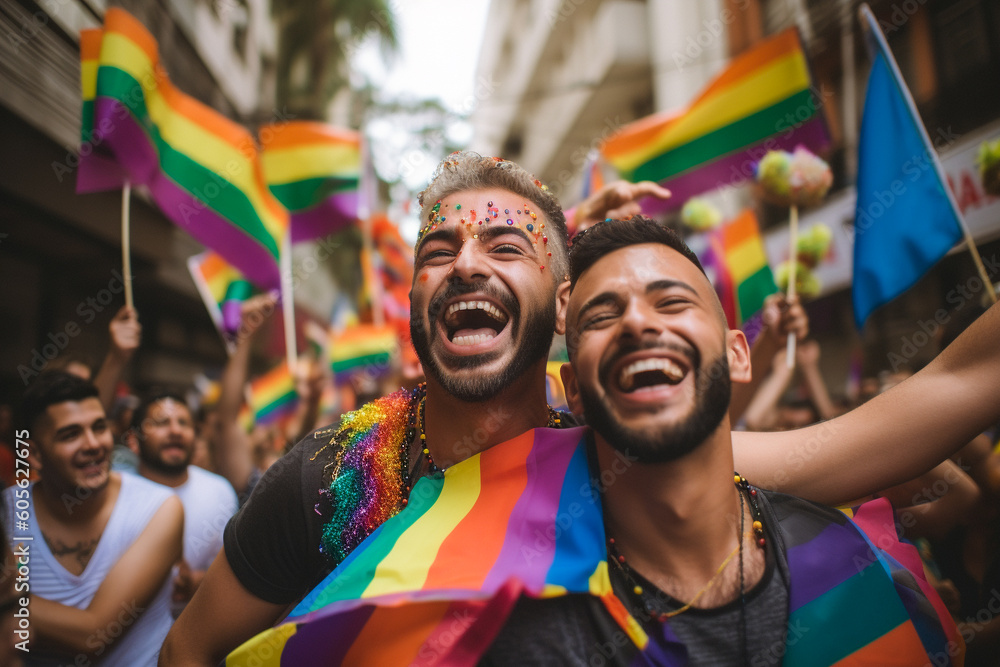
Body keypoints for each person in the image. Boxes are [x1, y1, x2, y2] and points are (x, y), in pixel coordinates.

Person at [163, 152, 1000, 665]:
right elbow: (190, 650)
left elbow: (932, 399)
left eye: (505, 246)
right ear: (412, 296)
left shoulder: (626, 447)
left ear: (560, 304)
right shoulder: (328, 479)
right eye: (439, 251)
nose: (464, 266)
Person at [5, 372, 182, 665]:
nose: (93, 444)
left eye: (99, 428)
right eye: (70, 434)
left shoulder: (158, 507)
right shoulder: (9, 514)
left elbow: (93, 636)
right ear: (33, 454)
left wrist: (9, 603)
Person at [127, 392, 238, 616]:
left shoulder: (220, 491)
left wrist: (199, 582)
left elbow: (235, 570)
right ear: (133, 441)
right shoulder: (116, 492)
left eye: (183, 423)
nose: (175, 431)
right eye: (161, 423)